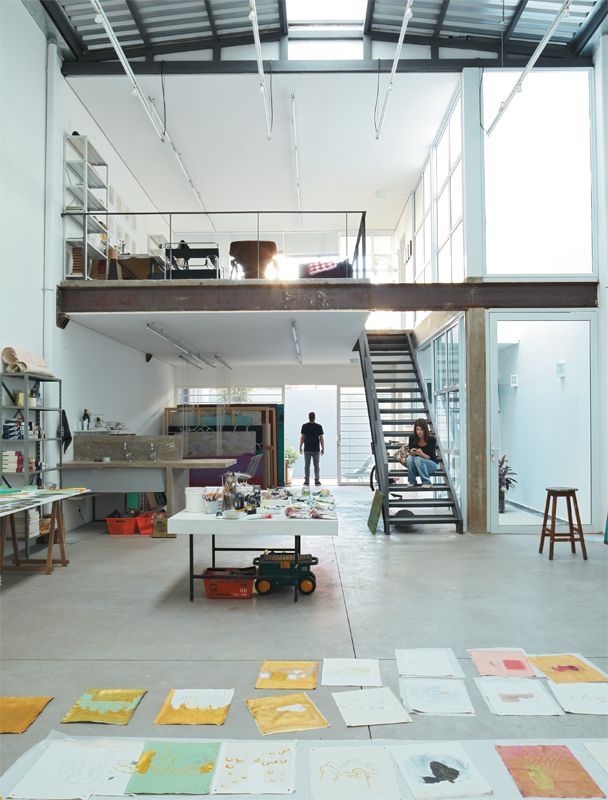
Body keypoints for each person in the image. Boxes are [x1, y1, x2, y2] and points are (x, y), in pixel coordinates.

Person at [406, 418, 439, 486]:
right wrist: (413, 453)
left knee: (418, 459)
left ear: (425, 430)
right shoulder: (412, 438)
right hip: (417, 464)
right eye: (417, 429)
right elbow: (410, 452)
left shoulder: (432, 439)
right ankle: (412, 481)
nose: (419, 432)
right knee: (409, 458)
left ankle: (427, 482)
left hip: (431, 464)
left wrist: (421, 454)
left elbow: (430, 457)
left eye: (421, 429)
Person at [299, 412, 324, 486]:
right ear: (314, 417)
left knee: (307, 465)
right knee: (316, 465)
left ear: (309, 417)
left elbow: (302, 437)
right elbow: (321, 438)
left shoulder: (304, 426)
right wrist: (323, 448)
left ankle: (307, 481)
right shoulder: (319, 426)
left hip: (307, 449)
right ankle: (317, 481)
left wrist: (300, 447)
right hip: (316, 449)